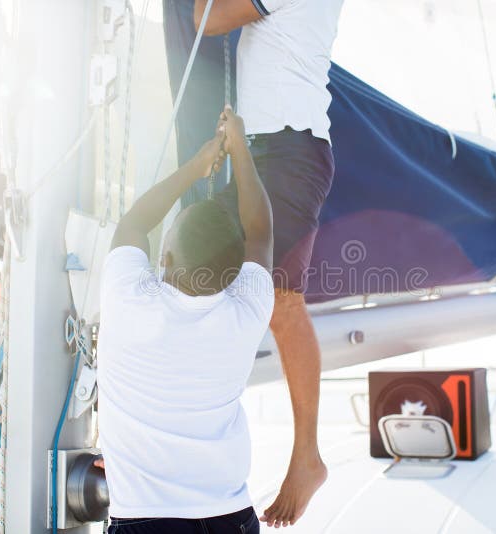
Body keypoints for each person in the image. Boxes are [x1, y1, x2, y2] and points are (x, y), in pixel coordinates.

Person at [194, 0, 344, 527]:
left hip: (289, 150)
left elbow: (206, 19)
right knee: (194, 273)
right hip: (262, 151)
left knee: (281, 303)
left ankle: (307, 455)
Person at [96, 107, 273, 533]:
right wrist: (241, 153)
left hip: (148, 523)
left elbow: (135, 220)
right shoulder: (245, 312)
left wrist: (196, 168)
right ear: (234, 275)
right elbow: (261, 231)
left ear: (167, 258)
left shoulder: (128, 299)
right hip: (230, 517)